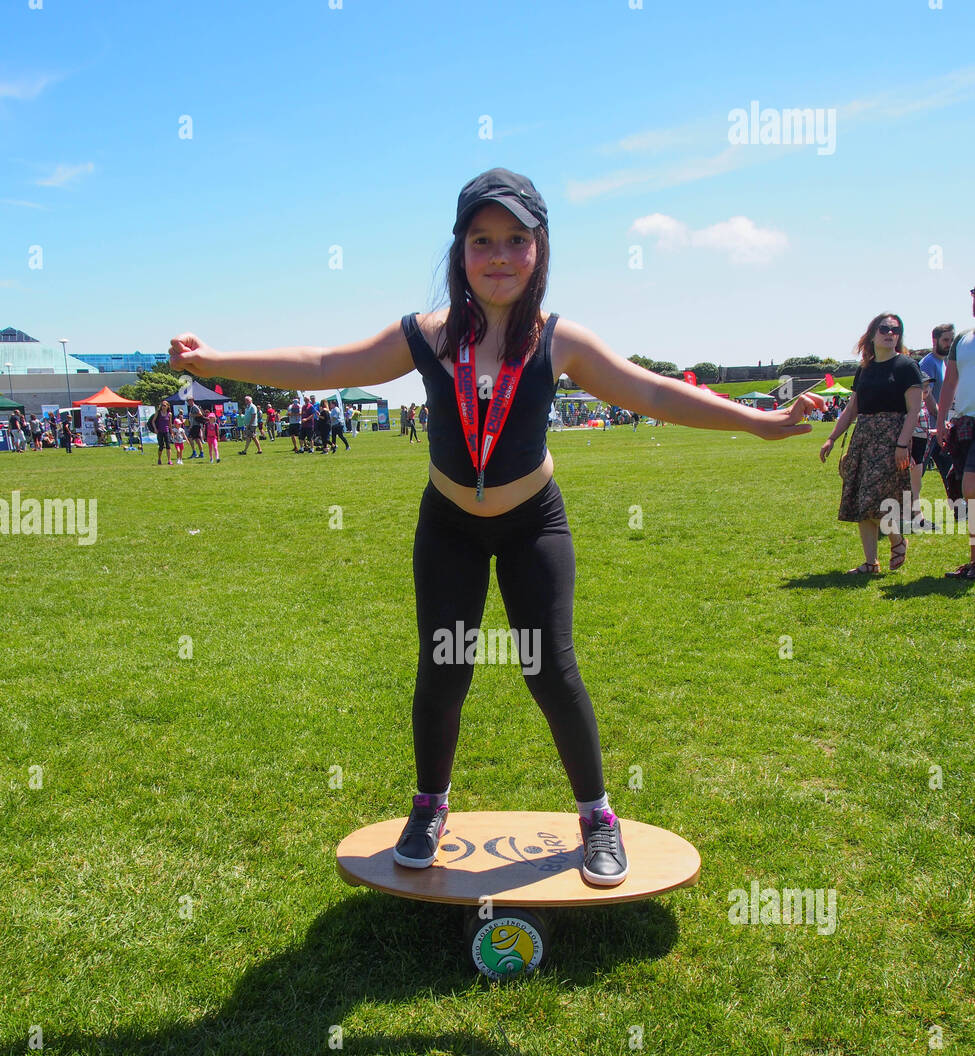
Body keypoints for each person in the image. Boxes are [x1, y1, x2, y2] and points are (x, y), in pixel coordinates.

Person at [168, 167, 818, 885]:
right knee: (443, 670)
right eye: (482, 241)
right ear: (459, 251)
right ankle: (428, 805)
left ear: (539, 250)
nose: (498, 256)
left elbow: (652, 390)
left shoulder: (558, 340)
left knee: (550, 669)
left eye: (515, 239)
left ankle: (597, 815)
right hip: (448, 523)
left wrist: (759, 423)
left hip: (531, 522)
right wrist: (214, 359)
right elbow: (327, 362)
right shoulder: (425, 336)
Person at [820, 313, 921, 574]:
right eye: (885, 328)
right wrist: (831, 437)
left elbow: (913, 411)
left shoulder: (906, 366)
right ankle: (870, 563)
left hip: (890, 438)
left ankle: (897, 540)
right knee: (859, 500)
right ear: (873, 333)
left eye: (896, 330)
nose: (891, 333)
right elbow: (852, 408)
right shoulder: (864, 368)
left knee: (872, 499)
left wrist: (902, 445)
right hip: (863, 437)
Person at [935, 286, 975, 579]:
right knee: (968, 491)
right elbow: (949, 384)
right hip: (966, 423)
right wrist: (939, 422)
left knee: (972, 489)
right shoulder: (962, 339)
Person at [919, 322, 959, 508]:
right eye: (945, 340)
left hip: (939, 428)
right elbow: (926, 396)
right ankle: (903, 512)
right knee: (917, 472)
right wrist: (941, 420)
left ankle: (960, 508)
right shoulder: (928, 363)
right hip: (928, 429)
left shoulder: (944, 362)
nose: (949, 344)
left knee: (950, 469)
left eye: (952, 340)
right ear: (934, 340)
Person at [155, 398, 174, 464]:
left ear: (168, 406)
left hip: (166, 431)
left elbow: (170, 424)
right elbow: (153, 421)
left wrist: (171, 432)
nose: (163, 407)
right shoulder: (158, 412)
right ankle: (159, 459)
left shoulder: (169, 414)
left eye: (164, 405)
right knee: (161, 446)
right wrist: (155, 429)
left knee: (168, 445)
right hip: (160, 431)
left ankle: (169, 460)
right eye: (162, 405)